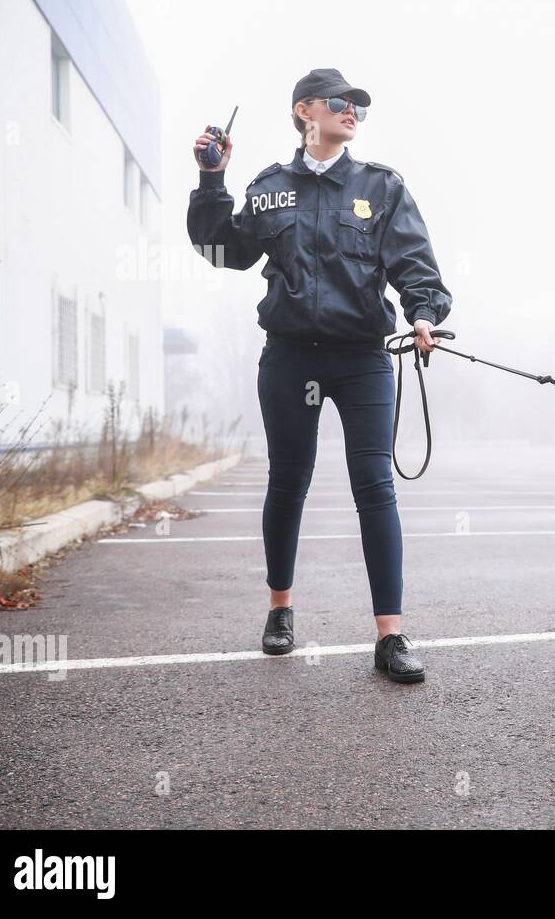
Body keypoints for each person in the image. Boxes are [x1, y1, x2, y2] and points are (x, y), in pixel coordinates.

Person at [187, 68, 452, 683]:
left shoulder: (381, 187)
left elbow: (416, 265)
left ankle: (391, 636)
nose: (352, 110)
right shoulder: (271, 187)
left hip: (361, 357)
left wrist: (422, 315)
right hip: (290, 356)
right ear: (305, 111)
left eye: (358, 104)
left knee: (374, 487)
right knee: (288, 482)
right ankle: (280, 610)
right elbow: (224, 250)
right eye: (339, 102)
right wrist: (210, 179)